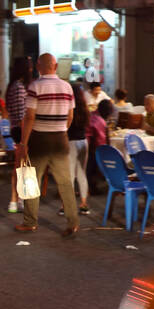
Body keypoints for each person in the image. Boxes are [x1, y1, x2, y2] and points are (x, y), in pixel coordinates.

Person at [16, 53, 79, 236]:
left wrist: (23, 143)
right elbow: (70, 116)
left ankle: (30, 221)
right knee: (65, 182)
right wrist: (61, 129)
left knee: (30, 179)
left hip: (39, 139)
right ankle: (72, 223)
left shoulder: (35, 86)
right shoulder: (67, 87)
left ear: (38, 66)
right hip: (61, 139)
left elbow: (30, 116)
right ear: (56, 66)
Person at [6, 58, 31, 214]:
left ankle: (17, 200)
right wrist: (25, 138)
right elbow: (22, 115)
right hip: (22, 130)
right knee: (21, 167)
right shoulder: (20, 88)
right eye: (29, 68)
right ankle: (16, 200)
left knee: (20, 166)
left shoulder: (12, 87)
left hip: (15, 128)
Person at [64, 82, 92, 217]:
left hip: (71, 142)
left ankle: (67, 206)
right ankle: (84, 204)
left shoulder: (69, 107)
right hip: (83, 141)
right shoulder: (85, 109)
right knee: (82, 173)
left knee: (69, 175)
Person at [86, 98, 111, 195]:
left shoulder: (92, 114)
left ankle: (91, 185)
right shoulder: (100, 121)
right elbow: (101, 143)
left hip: (84, 144)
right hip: (91, 147)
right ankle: (93, 187)